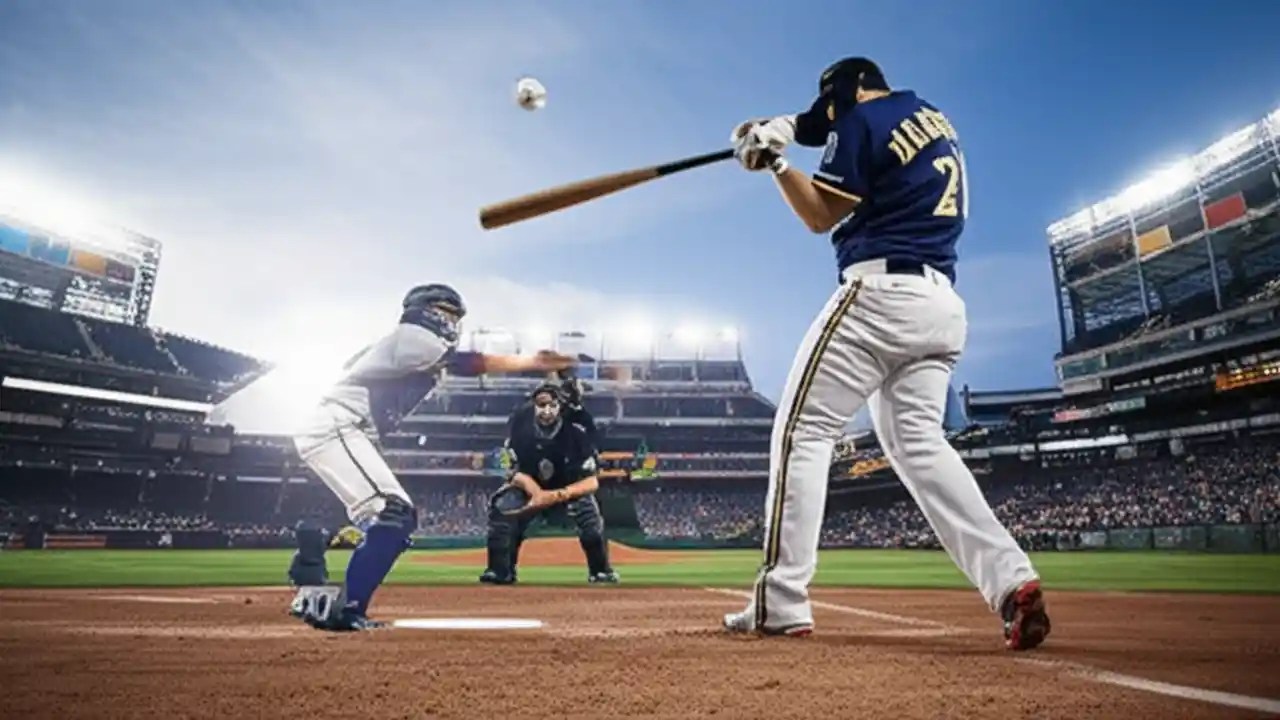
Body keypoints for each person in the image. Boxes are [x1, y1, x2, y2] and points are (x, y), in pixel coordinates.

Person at [722, 57, 1050, 650]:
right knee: (918, 445)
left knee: (803, 431)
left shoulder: (862, 117)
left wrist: (772, 162)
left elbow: (820, 215)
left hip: (879, 295)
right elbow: (817, 124)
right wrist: (777, 129)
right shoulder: (929, 117)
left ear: (850, 90)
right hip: (940, 306)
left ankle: (781, 601)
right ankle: (1013, 582)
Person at [284, 284, 575, 631]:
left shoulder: (406, 347)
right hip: (338, 426)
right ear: (421, 311)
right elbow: (467, 362)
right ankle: (346, 609)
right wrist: (531, 362)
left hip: (339, 430)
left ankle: (310, 576)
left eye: (454, 317)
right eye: (443, 312)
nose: (449, 322)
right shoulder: (414, 337)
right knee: (394, 516)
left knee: (382, 521)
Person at [480, 381, 618, 585]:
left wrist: (558, 495)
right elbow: (511, 472)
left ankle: (600, 570)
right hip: (528, 486)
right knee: (502, 507)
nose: (547, 411)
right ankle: (500, 570)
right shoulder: (519, 428)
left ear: (560, 407)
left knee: (589, 516)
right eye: (541, 406)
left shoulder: (576, 433)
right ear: (533, 406)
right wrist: (536, 493)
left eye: (552, 406)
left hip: (569, 488)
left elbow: (591, 482)